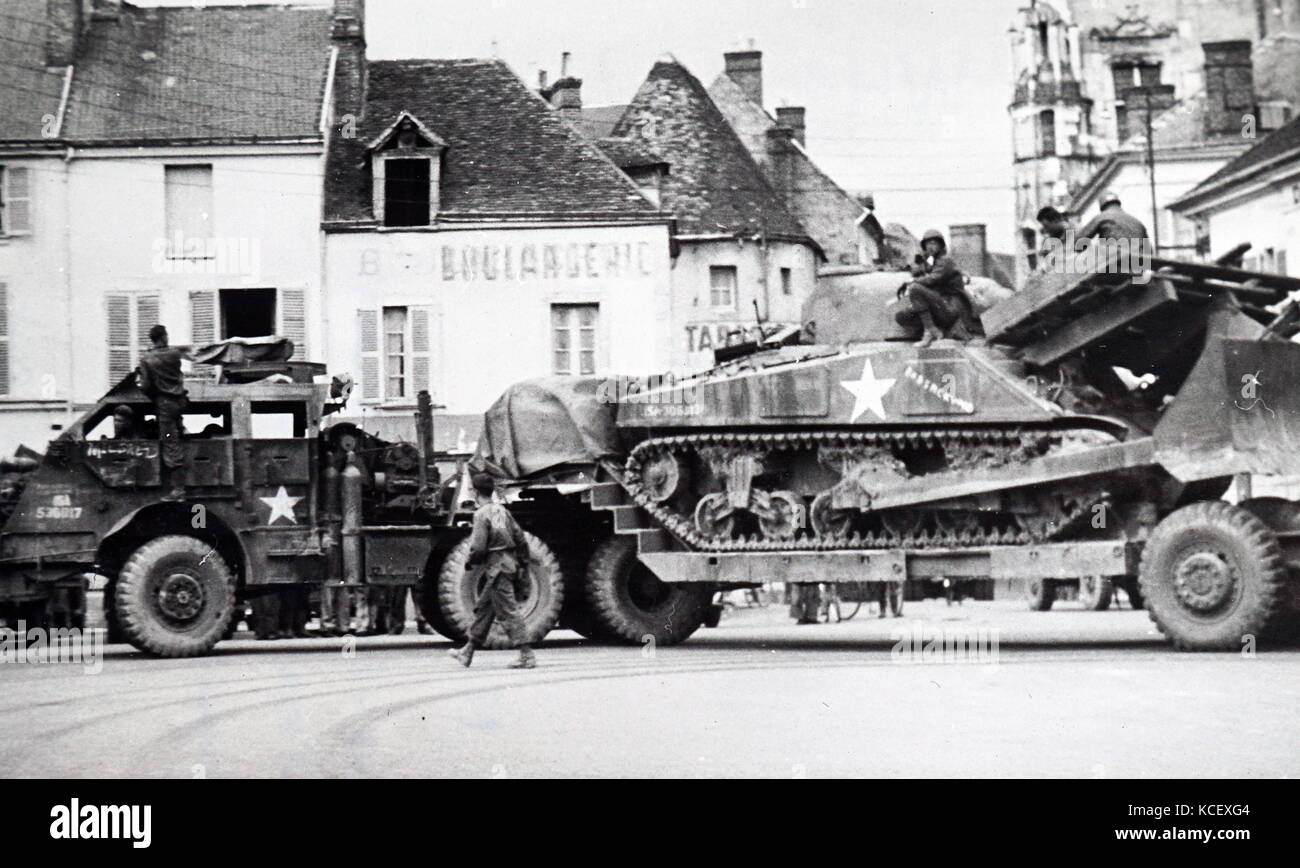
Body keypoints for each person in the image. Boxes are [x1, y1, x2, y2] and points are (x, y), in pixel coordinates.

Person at [447, 473, 535, 669]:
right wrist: (523, 563)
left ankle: (526, 655)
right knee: (485, 609)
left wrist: (470, 561)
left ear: (475, 492)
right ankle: (467, 651)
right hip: (508, 564)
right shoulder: (502, 511)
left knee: (508, 611)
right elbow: (520, 538)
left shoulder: (481, 514)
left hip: (496, 568)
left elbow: (478, 547)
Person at [894, 229, 981, 348]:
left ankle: (930, 331)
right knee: (902, 316)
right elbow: (919, 271)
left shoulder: (945, 260)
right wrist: (921, 260)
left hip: (952, 307)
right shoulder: (935, 261)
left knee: (915, 288)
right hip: (941, 306)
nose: (930, 247)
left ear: (941, 245)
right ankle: (938, 329)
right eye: (927, 244)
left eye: (934, 243)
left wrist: (910, 281)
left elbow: (932, 279)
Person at [136, 325, 189, 500]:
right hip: (180, 401)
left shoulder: (147, 359)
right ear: (164, 336)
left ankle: (178, 490)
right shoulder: (174, 354)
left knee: (170, 443)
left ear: (152, 339)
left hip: (164, 405)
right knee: (177, 433)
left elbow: (146, 386)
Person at [1076, 191, 1148, 245]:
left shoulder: (1102, 217)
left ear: (1102, 205)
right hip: (1143, 259)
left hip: (1117, 258)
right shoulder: (1137, 221)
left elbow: (1078, 241)